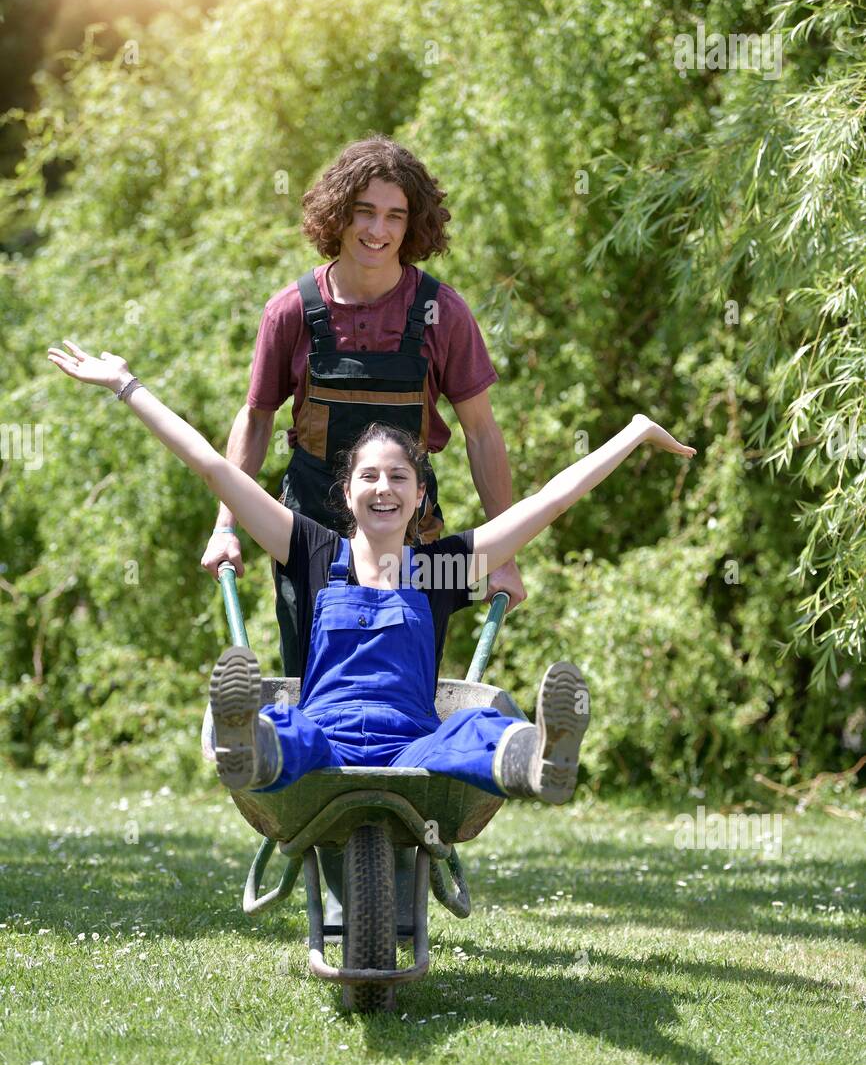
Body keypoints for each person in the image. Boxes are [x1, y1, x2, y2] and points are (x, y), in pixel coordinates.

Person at [46, 339, 697, 808]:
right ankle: (249, 743)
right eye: (369, 476)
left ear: (419, 495)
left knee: (474, 727)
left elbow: (548, 502)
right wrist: (127, 386)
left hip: (413, 747)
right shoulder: (310, 549)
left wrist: (633, 433)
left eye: (399, 477)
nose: (383, 488)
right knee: (284, 724)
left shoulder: (441, 569)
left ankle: (540, 757)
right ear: (347, 490)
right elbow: (217, 469)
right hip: (323, 739)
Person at [199, 136, 527, 684]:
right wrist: (225, 526)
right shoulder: (292, 311)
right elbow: (256, 418)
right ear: (338, 213)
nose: (378, 231)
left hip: (407, 535)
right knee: (313, 684)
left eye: (395, 216)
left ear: (413, 225)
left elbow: (483, 435)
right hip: (307, 536)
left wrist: (505, 553)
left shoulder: (442, 313)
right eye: (365, 212)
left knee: (403, 686)